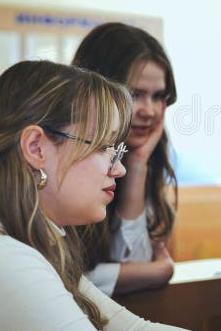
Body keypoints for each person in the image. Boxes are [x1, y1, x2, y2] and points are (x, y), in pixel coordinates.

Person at [0, 60, 184, 330]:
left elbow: (131, 328)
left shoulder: (29, 240)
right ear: (36, 148)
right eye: (104, 147)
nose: (118, 169)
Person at [73, 22, 178, 296]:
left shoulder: (145, 158)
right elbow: (59, 277)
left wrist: (138, 164)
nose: (150, 111)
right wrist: (157, 271)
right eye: (135, 95)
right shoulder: (63, 156)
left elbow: (134, 271)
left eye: (158, 97)